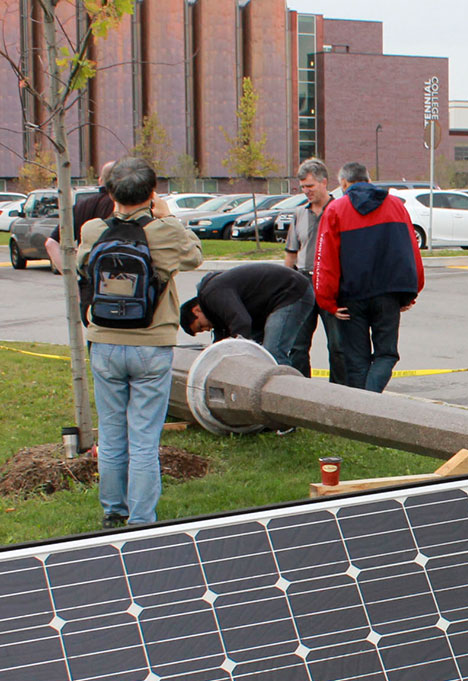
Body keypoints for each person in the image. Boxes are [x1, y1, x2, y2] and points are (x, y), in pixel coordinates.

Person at [51, 156, 203, 527]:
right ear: (152, 192)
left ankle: (113, 510)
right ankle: (141, 518)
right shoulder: (165, 230)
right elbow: (195, 255)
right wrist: (166, 214)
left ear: (110, 192)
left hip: (104, 342)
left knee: (112, 432)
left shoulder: (93, 230)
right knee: (144, 439)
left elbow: (83, 265)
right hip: (151, 342)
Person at [312, 161, 423, 392]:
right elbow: (411, 250)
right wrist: (411, 291)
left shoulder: (335, 209)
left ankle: (363, 404)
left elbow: (325, 259)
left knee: (356, 360)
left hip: (351, 297)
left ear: (344, 183)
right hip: (388, 294)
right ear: (369, 180)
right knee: (386, 354)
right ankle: (370, 400)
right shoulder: (395, 205)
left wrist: (327, 301)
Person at [281, 159, 345, 383]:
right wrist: (284, 285)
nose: (306, 191)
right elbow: (291, 252)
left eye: (310, 186)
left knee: (337, 345)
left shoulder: (340, 210)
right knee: (297, 345)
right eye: (303, 187)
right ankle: (301, 389)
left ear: (324, 182)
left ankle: (338, 390)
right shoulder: (299, 214)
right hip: (303, 283)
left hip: (331, 283)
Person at [179, 260, 311, 353]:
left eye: (200, 326)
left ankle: (284, 385)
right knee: (258, 353)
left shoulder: (212, 294)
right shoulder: (215, 311)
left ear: (196, 310)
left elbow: (241, 324)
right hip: (272, 302)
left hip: (290, 291)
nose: (207, 329)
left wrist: (237, 354)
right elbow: (222, 341)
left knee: (272, 352)